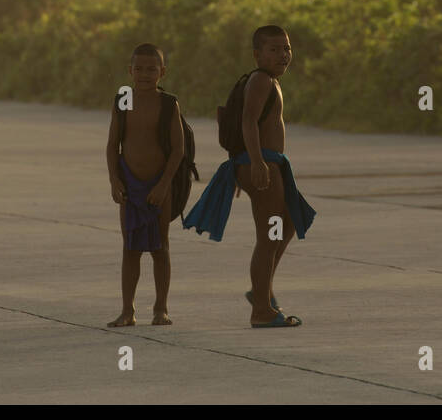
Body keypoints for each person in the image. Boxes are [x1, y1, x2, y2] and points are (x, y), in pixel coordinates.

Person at [183, 25, 315, 327]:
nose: (283, 54)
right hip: (263, 163)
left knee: (289, 221)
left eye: (287, 48)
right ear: (257, 54)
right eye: (274, 49)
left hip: (270, 163)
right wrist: (255, 163)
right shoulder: (259, 80)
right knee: (269, 236)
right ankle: (261, 310)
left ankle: (261, 290)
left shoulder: (269, 80)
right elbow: (248, 122)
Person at [105, 43, 184, 327]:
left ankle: (161, 308)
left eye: (152, 69)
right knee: (130, 248)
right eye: (139, 69)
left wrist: (164, 184)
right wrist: (115, 179)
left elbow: (178, 150)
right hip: (130, 184)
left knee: (160, 248)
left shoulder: (168, 103)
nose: (145, 74)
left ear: (162, 72)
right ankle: (128, 310)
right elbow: (113, 144)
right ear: (130, 71)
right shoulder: (124, 99)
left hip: (159, 185)